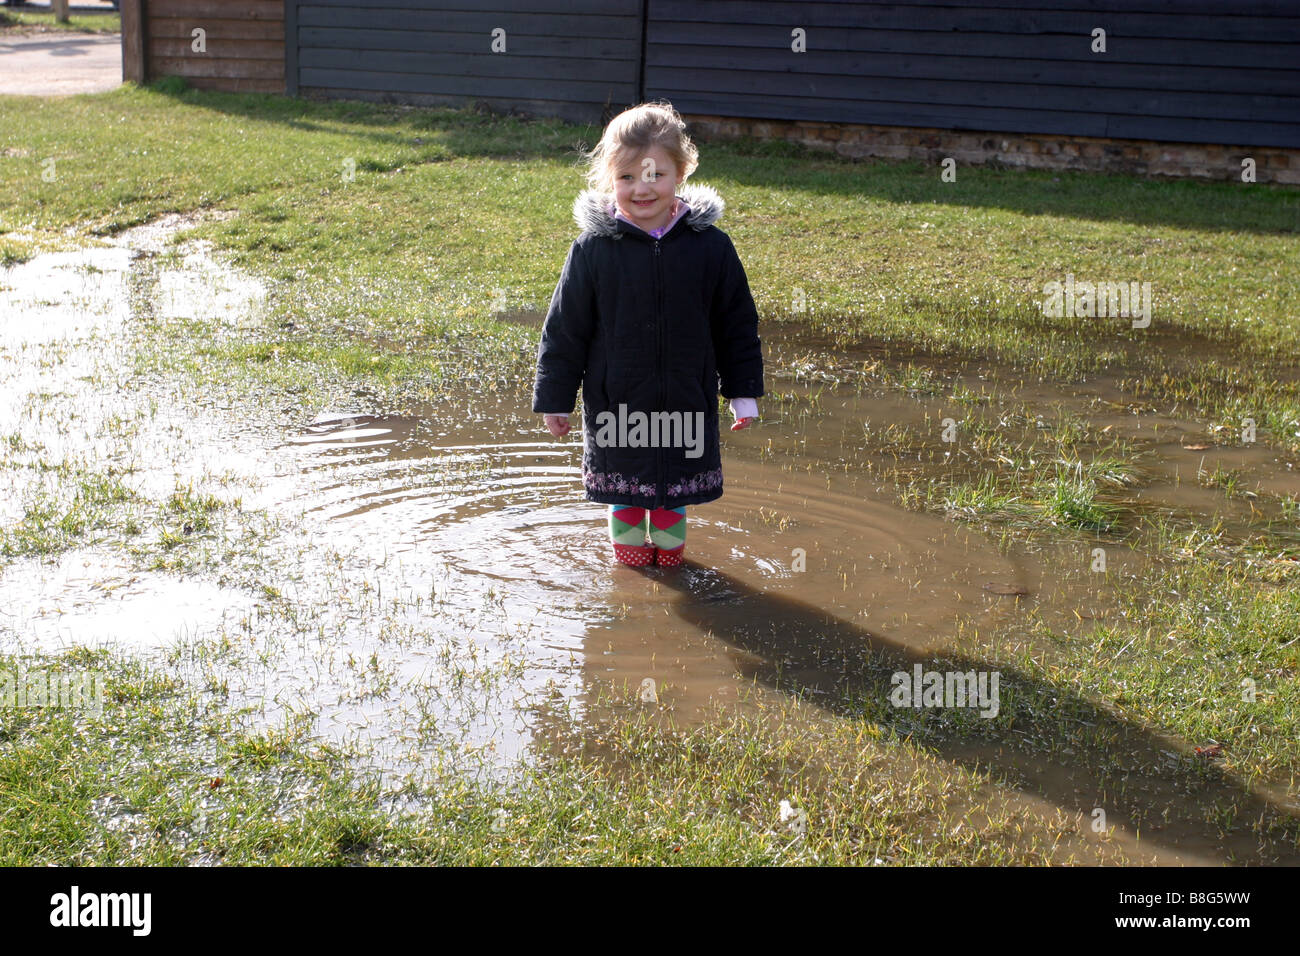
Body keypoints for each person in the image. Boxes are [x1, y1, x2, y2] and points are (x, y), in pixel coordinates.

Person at [532, 101, 764, 568]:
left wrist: (743, 393)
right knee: (628, 491)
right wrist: (556, 398)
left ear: (681, 170)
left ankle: (671, 563)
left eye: (655, 174)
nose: (642, 188)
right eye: (627, 178)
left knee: (671, 492)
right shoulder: (594, 249)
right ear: (608, 179)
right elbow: (565, 329)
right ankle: (633, 569)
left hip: (685, 399)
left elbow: (736, 325)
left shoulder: (710, 247)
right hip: (619, 404)